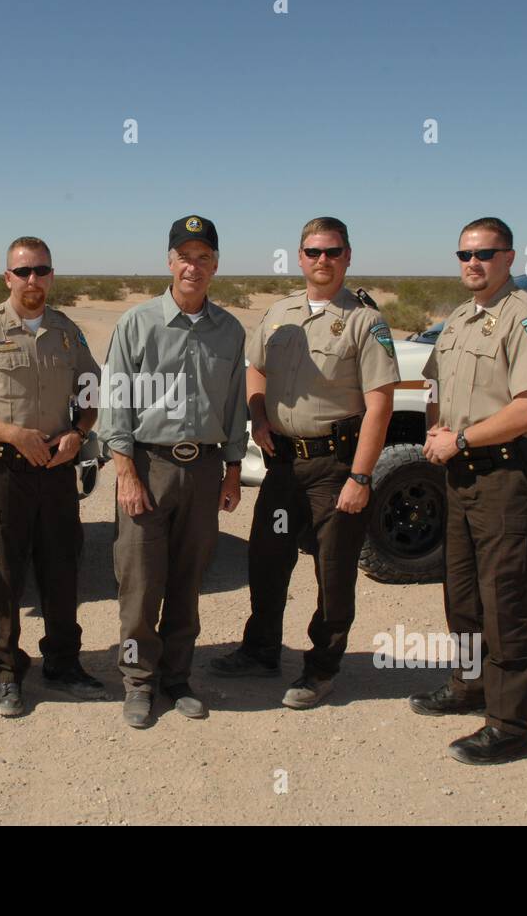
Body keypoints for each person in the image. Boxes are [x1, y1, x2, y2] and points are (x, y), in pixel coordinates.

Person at [209, 217, 398, 708]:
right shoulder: (278, 314)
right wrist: (257, 416)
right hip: (284, 466)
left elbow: (380, 404)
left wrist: (360, 476)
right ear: (299, 257)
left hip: (336, 467)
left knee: (333, 573)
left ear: (348, 256)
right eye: (313, 251)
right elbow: (256, 368)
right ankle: (261, 650)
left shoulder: (365, 322)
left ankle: (321, 668)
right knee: (267, 560)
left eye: (332, 252)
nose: (322, 260)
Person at [412, 216, 527, 764]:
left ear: (509, 257)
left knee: (507, 602)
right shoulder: (457, 320)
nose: (472, 263)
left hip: (505, 477)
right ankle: (469, 685)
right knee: (463, 594)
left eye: (484, 254)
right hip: (462, 473)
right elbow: (435, 386)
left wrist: (463, 438)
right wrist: (435, 428)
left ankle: (509, 726)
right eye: (464, 254)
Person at [0, 236, 106, 717]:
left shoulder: (67, 332)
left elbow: (91, 389)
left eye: (42, 270)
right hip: (1, 472)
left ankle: (64, 663)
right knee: (2, 573)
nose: (33, 279)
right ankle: (8, 673)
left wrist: (78, 431)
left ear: (52, 275)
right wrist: (10, 433)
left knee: (62, 568)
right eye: (24, 271)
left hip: (55, 472)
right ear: (7, 277)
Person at [99, 214, 248, 728]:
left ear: (215, 266)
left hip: (204, 471)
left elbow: (233, 409)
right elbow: (115, 402)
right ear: (169, 262)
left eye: (203, 257)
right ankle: (138, 682)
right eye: (185, 256)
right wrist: (125, 473)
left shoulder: (230, 330)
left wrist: (232, 472)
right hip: (148, 464)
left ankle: (178, 678)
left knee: (188, 580)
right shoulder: (137, 324)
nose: (194, 266)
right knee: (140, 584)